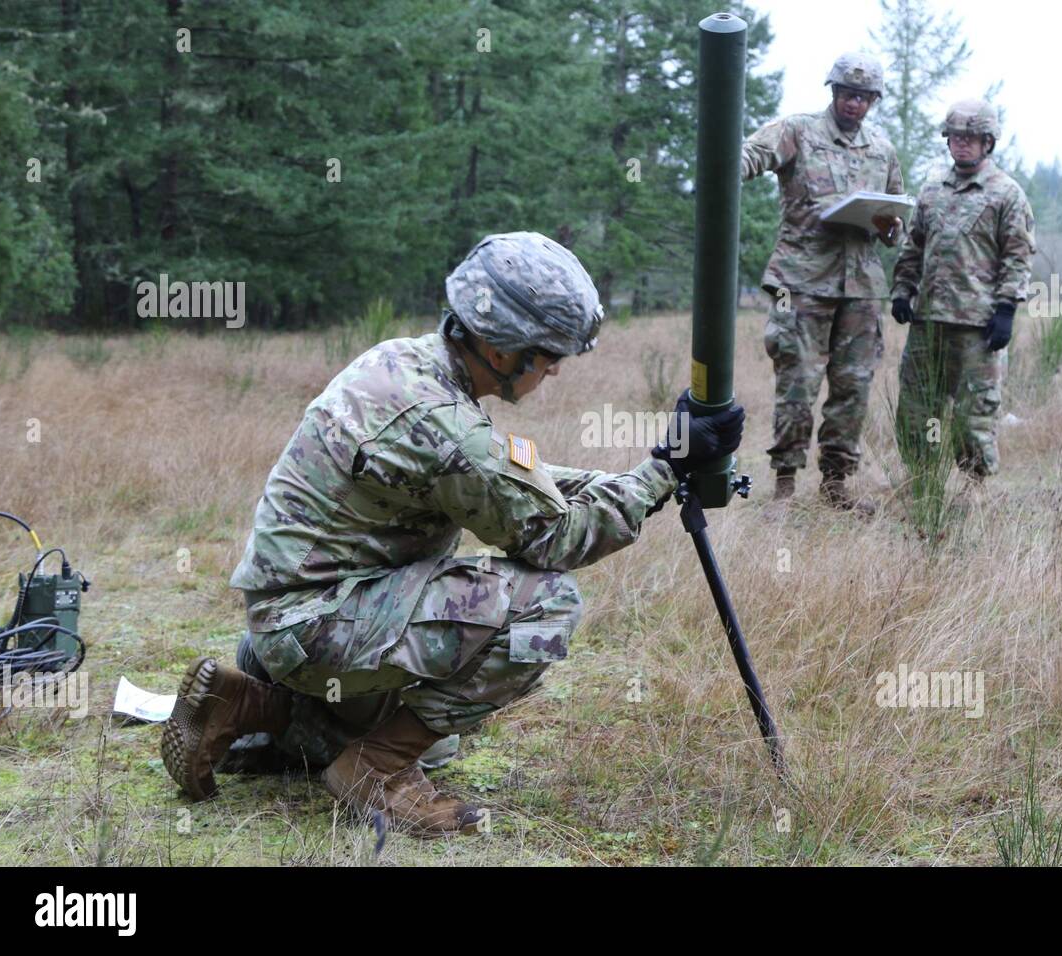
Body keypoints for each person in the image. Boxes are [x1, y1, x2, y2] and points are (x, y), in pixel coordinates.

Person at [161, 232, 745, 836]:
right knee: (547, 605)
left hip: (291, 618)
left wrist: (630, 478)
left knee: (436, 745)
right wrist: (663, 472)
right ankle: (375, 771)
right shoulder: (446, 428)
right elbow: (556, 539)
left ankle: (251, 704)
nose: (555, 370)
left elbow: (513, 479)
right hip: (314, 630)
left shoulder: (408, 362)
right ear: (499, 347)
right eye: (549, 354)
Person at [741, 51, 904, 514]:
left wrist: (891, 226)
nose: (854, 103)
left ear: (874, 100)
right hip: (802, 282)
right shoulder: (798, 130)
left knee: (852, 389)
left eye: (864, 97)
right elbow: (749, 157)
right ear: (833, 92)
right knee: (798, 383)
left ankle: (836, 485)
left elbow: (895, 219)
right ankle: (785, 488)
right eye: (847, 94)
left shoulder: (882, 150)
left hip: (861, 288)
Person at [890, 99, 1036, 481]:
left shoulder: (1007, 194)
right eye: (955, 137)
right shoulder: (933, 190)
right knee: (918, 409)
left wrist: (1006, 309)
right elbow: (913, 246)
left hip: (978, 326)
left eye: (971, 138)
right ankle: (922, 483)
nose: (962, 144)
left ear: (988, 142)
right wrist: (902, 291)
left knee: (975, 414)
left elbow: (1018, 256)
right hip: (928, 323)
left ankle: (975, 490)